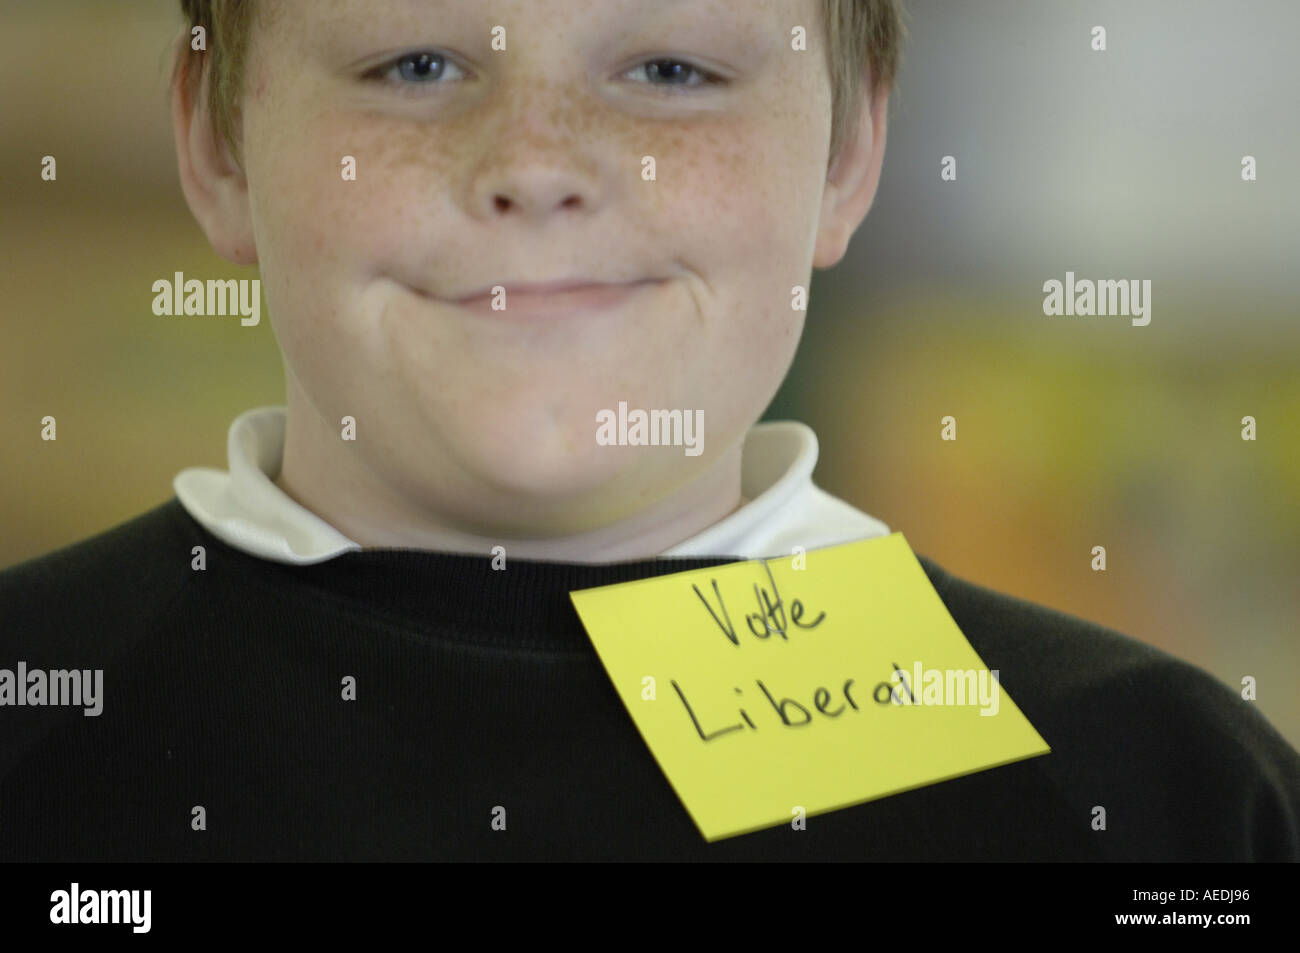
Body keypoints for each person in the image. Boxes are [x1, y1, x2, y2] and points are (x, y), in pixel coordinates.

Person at [1, 0, 1296, 861]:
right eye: (416, 64)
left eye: (673, 71)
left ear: (852, 150)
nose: (538, 160)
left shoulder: (1171, 800)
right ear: (215, 139)